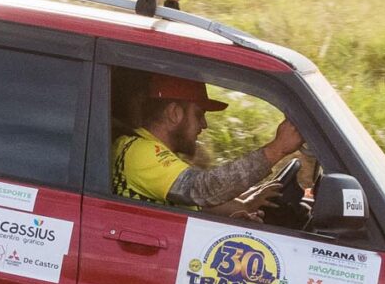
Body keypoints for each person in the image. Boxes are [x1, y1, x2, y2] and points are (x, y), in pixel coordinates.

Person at [112, 75, 303, 210]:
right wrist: (277, 149)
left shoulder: (149, 150)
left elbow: (191, 202)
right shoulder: (140, 153)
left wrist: (245, 204)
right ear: (174, 113)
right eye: (199, 114)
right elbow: (203, 189)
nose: (204, 124)